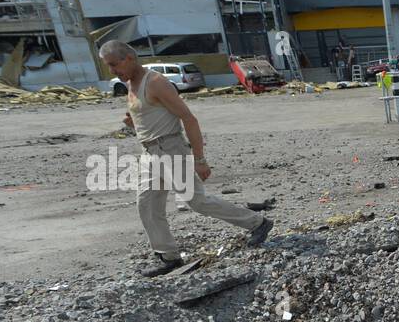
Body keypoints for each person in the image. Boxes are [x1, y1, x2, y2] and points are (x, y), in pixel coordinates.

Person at [99, 41, 272, 277]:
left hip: (170, 149)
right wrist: (133, 122)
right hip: (149, 153)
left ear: (129, 57)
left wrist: (199, 159)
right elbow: (145, 115)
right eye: (108, 66)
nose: (112, 71)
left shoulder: (156, 82)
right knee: (147, 204)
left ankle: (257, 223)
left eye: (113, 64)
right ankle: (168, 257)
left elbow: (189, 119)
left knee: (196, 201)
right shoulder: (130, 83)